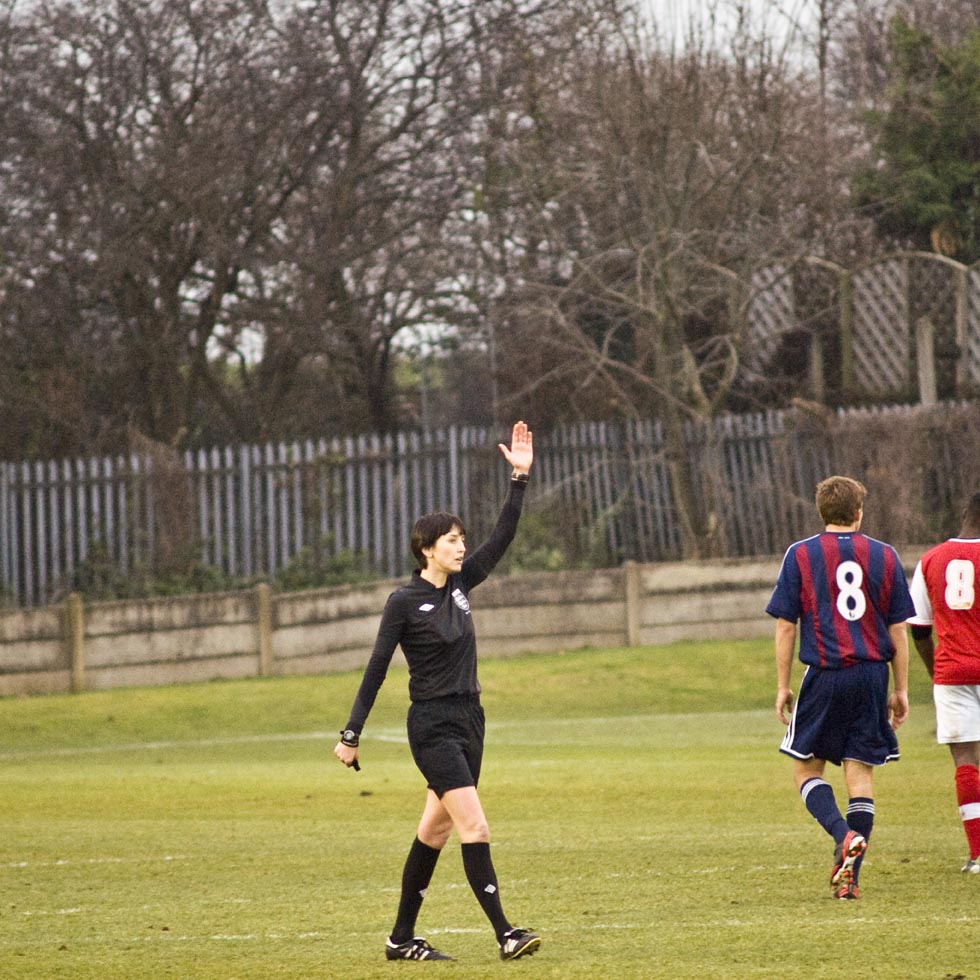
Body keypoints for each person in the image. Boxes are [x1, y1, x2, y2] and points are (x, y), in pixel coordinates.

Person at [333, 420, 541, 962]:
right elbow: (377, 669)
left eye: (461, 539)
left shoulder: (464, 585)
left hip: (471, 722)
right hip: (431, 728)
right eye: (452, 539)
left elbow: (502, 539)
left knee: (436, 832)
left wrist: (519, 479)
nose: (462, 546)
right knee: (475, 823)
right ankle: (506, 934)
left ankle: (400, 940)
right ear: (427, 548)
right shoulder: (403, 602)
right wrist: (351, 734)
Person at [766, 475, 914, 900]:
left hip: (826, 673)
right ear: (859, 513)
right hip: (872, 675)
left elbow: (784, 625)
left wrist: (781, 686)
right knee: (859, 773)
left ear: (821, 512)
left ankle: (841, 834)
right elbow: (898, 629)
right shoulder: (884, 556)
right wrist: (901, 689)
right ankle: (850, 879)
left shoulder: (800, 555)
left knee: (805, 769)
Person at [908, 491, 980, 875]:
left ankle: (978, 855)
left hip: (952, 673)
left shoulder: (931, 559)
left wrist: (936, 674)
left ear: (965, 513)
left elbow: (918, 629)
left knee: (966, 762)